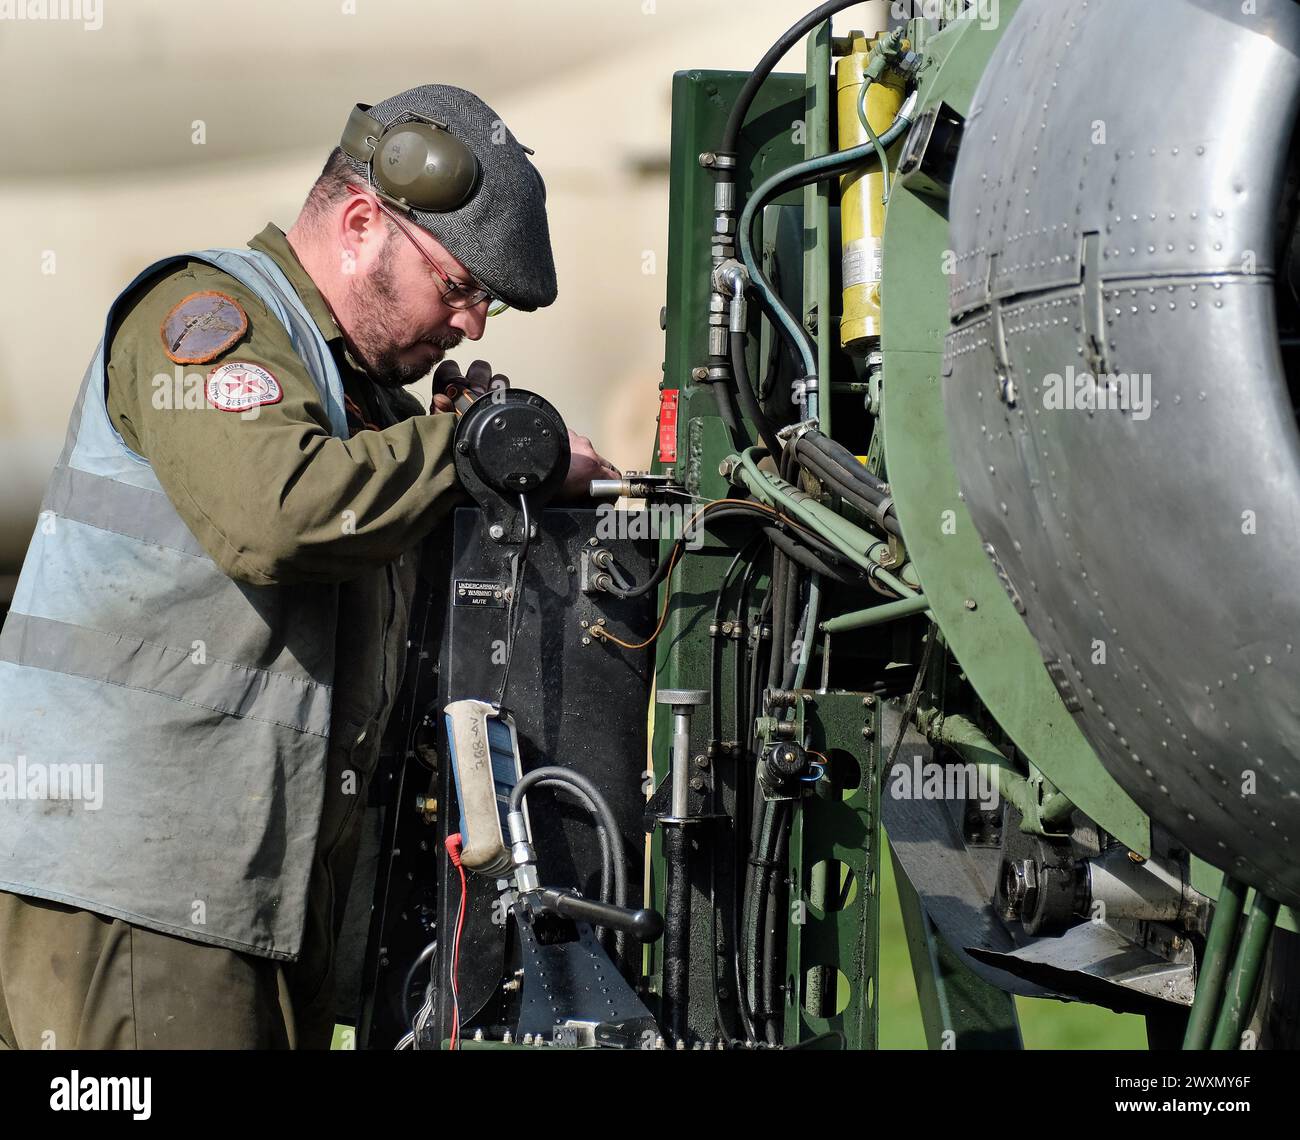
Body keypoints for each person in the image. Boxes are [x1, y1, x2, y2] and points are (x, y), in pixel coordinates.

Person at [0, 84, 619, 1049]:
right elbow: (278, 514)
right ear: (365, 222)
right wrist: (465, 453)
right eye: (459, 287)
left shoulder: (347, 399)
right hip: (139, 902)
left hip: (238, 908)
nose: (472, 326)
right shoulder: (208, 316)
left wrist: (453, 464)